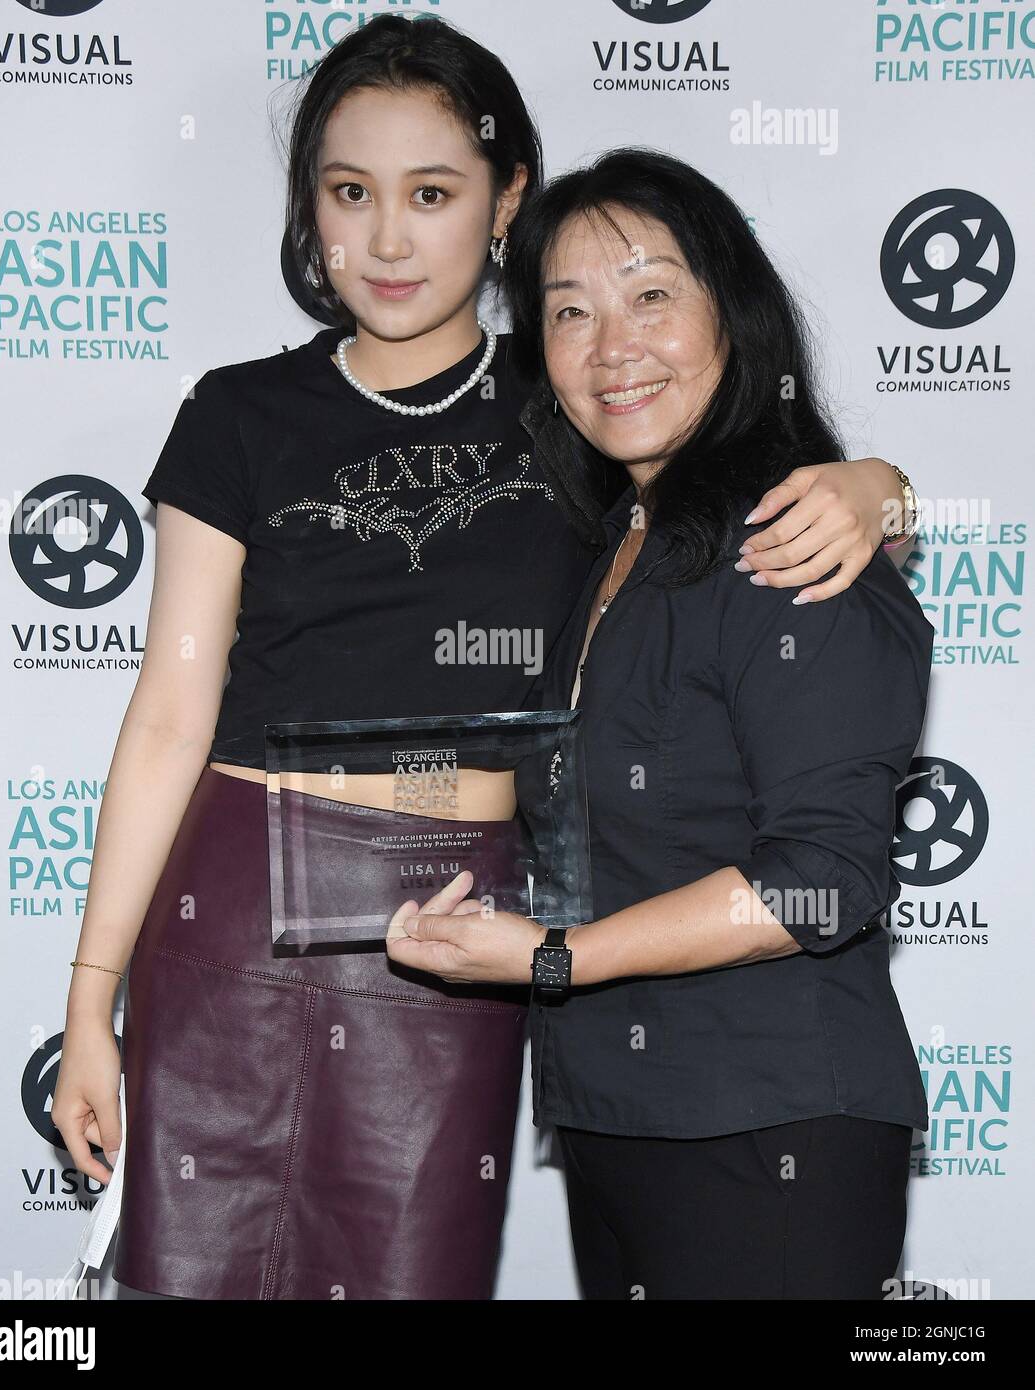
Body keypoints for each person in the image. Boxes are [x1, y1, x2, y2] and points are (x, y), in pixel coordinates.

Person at [51, 16, 919, 1303]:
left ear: (506, 200)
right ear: (308, 206)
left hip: (456, 939)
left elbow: (722, 459)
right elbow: (172, 716)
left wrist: (876, 484)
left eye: (433, 193)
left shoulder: (573, 398)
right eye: (349, 193)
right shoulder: (236, 412)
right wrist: (89, 996)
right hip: (235, 921)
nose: (388, 238)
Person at [386, 147, 932, 1300]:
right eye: (568, 312)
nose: (610, 347)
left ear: (729, 311)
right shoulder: (603, 550)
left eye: (649, 295)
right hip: (615, 1114)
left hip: (769, 1121)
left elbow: (821, 877)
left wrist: (550, 956)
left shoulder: (791, 539)